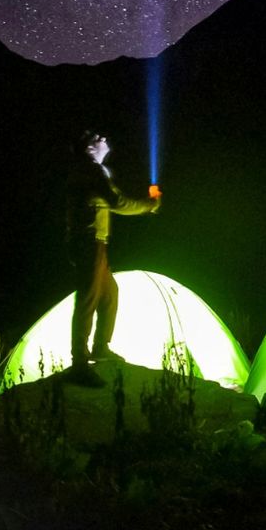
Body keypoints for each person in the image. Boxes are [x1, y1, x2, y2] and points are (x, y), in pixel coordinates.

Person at [64, 129, 161, 387]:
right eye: (97, 138)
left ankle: (100, 347)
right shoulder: (91, 170)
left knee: (109, 294)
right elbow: (116, 201)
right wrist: (148, 205)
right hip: (90, 242)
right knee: (88, 299)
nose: (104, 139)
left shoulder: (91, 170)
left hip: (93, 242)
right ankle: (79, 363)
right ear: (88, 148)